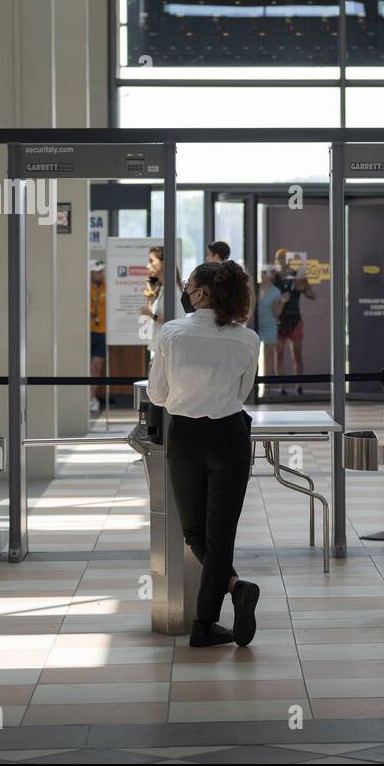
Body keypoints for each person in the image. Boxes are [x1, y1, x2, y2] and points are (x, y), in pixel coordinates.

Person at [147, 260, 262, 648]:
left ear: (200, 293)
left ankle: (218, 610)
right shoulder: (246, 339)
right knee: (221, 533)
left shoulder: (171, 333)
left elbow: (157, 395)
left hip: (186, 438)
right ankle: (218, 607)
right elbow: (243, 392)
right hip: (229, 435)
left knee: (194, 532)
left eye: (188, 285)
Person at [272, 248, 315, 395]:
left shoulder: (298, 276)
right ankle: (281, 387)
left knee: (297, 354)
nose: (280, 261)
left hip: (295, 319)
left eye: (283, 258)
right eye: (278, 258)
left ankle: (299, 386)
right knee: (279, 353)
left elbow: (312, 295)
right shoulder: (273, 277)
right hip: (278, 320)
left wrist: (304, 287)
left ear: (289, 259)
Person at [257, 267, 283, 391]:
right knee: (253, 355)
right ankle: (253, 384)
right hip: (256, 325)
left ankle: (266, 384)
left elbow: (276, 313)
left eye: (266, 273)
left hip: (270, 325)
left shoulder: (276, 291)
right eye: (263, 272)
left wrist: (283, 302)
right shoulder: (255, 288)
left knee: (268, 355)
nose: (264, 275)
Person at [89, 260, 107, 414]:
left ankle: (91, 397)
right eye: (97, 271)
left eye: (102, 271)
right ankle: (86, 398)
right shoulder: (85, 288)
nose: (100, 274)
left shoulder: (107, 287)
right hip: (86, 332)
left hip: (102, 332)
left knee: (96, 366)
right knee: (84, 368)